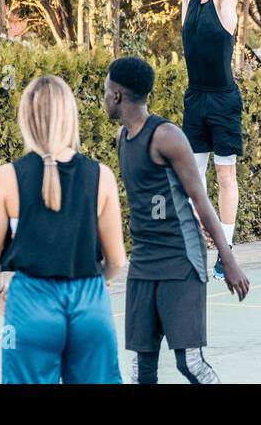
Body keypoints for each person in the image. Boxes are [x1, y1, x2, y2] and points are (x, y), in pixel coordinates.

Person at [104, 55, 250, 383]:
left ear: (116, 94)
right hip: (143, 263)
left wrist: (227, 259)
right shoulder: (122, 139)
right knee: (142, 370)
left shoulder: (166, 135)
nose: (103, 97)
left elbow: (200, 198)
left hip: (180, 260)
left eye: (105, 90)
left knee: (190, 363)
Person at [0, 74, 127, 383]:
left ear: (27, 119)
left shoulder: (5, 177)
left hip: (31, 303)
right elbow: (117, 261)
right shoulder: (101, 176)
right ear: (70, 116)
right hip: (89, 303)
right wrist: (101, 280)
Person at [166, 0, 242, 279]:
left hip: (224, 100)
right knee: (191, 179)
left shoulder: (225, 5)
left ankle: (224, 248)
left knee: (225, 174)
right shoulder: (190, 0)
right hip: (196, 98)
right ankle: (195, 242)